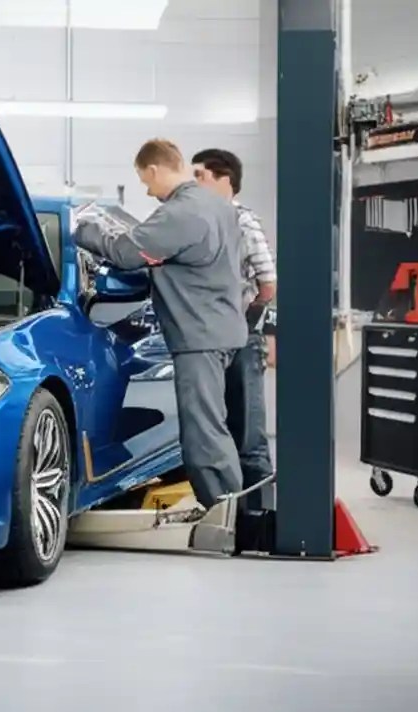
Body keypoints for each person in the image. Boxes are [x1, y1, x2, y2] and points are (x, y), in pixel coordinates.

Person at [73, 139, 247, 518]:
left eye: (144, 181)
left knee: (203, 431)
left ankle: (224, 512)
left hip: (199, 334)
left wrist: (82, 231)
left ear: (154, 169)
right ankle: (232, 507)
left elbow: (126, 253)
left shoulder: (181, 211)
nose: (147, 191)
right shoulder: (217, 204)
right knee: (216, 425)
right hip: (221, 327)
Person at [191, 148, 276, 509]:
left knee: (247, 434)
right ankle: (231, 517)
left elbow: (268, 282)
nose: (192, 184)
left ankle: (260, 518)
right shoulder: (199, 221)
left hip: (240, 338)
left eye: (200, 176)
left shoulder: (242, 221)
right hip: (209, 340)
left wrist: (241, 319)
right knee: (217, 432)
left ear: (224, 179)